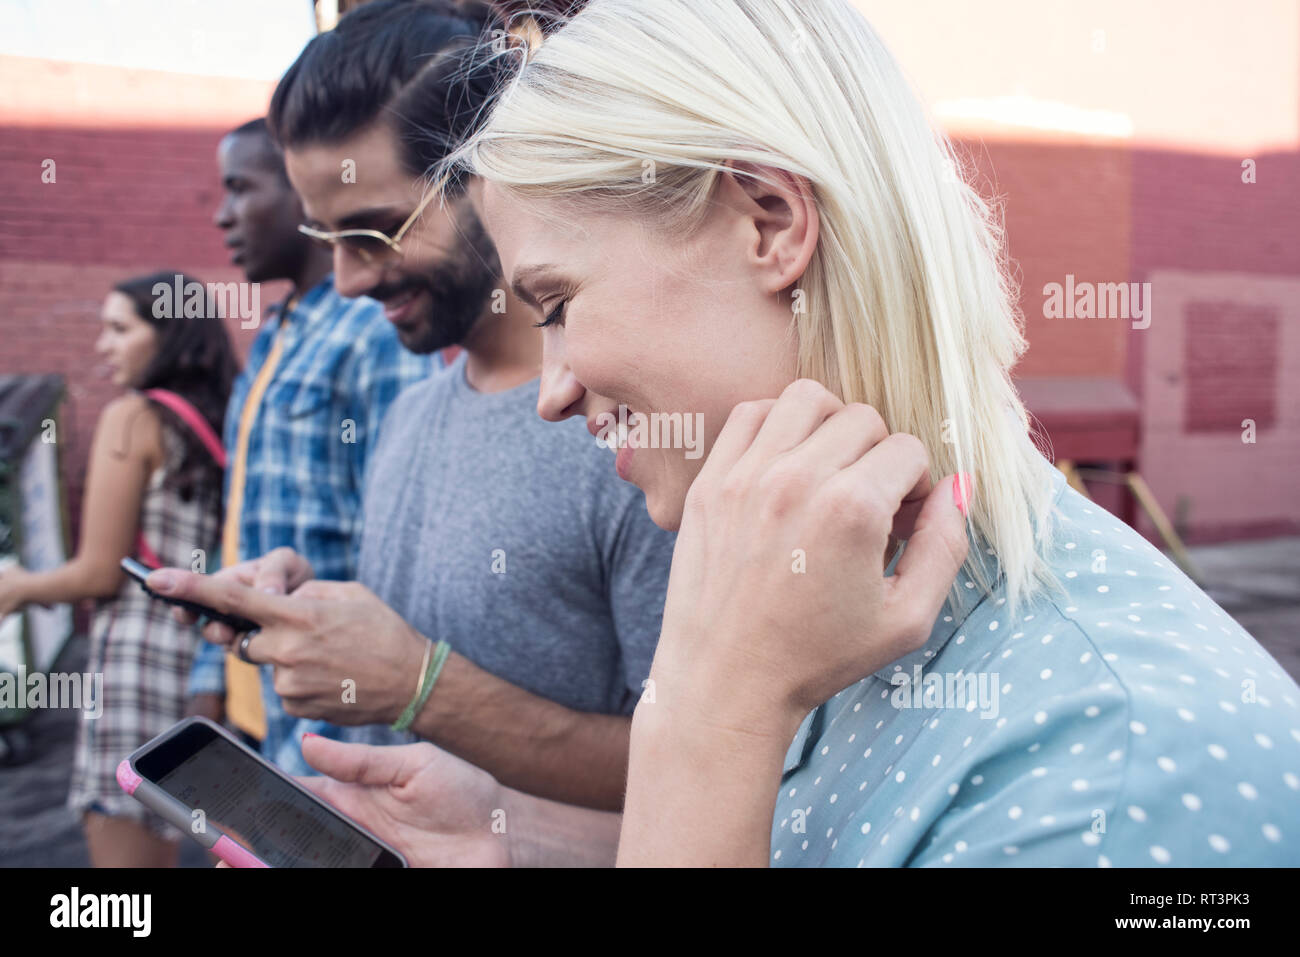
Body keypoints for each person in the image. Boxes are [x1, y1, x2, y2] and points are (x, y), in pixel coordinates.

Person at [283, 0, 1300, 866]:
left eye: (556, 304)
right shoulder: (824, 585)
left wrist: (704, 718)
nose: (549, 393)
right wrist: (519, 841)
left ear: (768, 220)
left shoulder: (1104, 775)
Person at [147, 0, 677, 810]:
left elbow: (701, 767)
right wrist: (311, 604)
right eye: (330, 243)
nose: (352, 281)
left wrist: (417, 684)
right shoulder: (408, 412)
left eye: (379, 233)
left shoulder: (634, 431)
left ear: (491, 179)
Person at [186, 116, 434, 772]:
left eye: (241, 188)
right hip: (261, 710)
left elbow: (404, 551)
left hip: (341, 733)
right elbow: (243, 514)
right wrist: (210, 670)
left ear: (304, 193)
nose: (222, 215)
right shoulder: (273, 335)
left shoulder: (374, 329)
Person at [0, 272, 236, 867]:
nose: (102, 347)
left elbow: (100, 574)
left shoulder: (131, 419)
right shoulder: (222, 421)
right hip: (207, 668)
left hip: (134, 665)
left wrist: (18, 587)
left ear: (169, 336)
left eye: (119, 330)